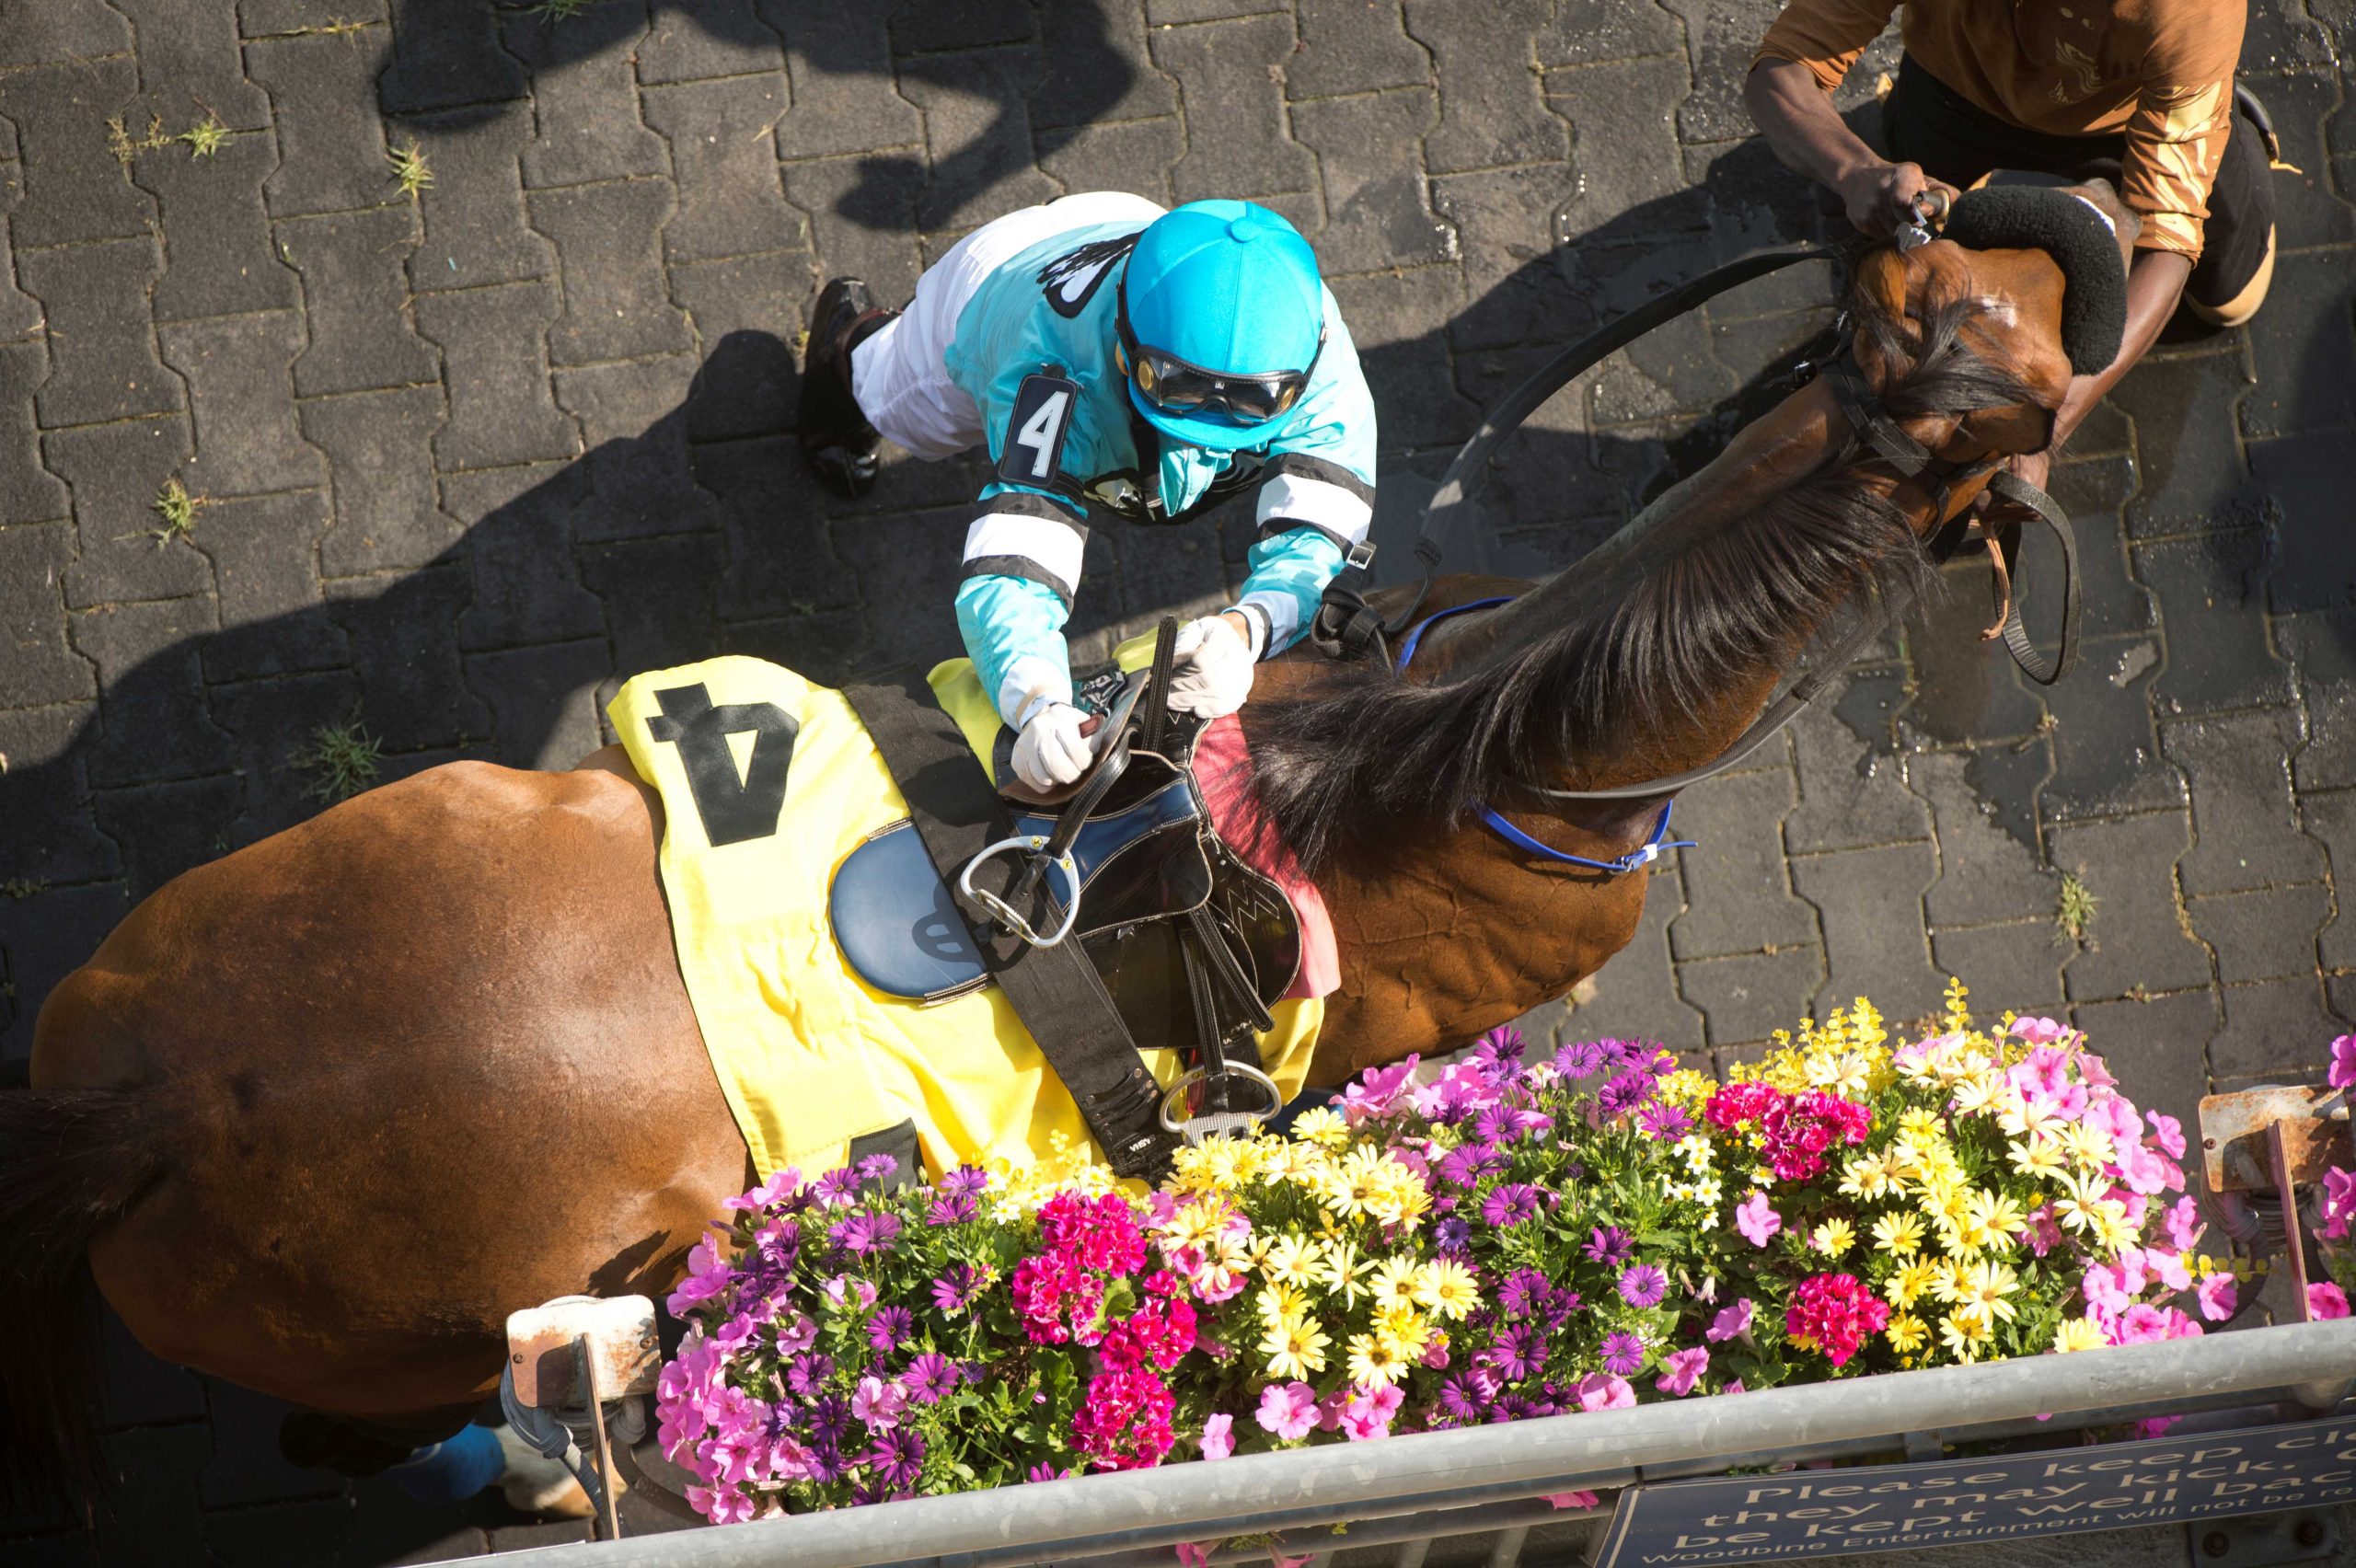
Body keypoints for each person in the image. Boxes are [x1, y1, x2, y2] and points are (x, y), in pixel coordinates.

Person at [796, 192, 1378, 792]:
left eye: (1252, 401)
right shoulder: (1048, 371)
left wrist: (1251, 627)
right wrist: (1036, 702)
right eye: (1176, 389)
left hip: (1170, 271)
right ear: (1126, 350)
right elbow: (1020, 555)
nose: (1214, 421)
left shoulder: (1306, 345)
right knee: (895, 406)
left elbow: (1324, 515)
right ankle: (846, 337)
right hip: (995, 285)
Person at [1743, 1, 2272, 497]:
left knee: (2228, 300)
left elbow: (2167, 245)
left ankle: (2194, 99)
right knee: (1924, 297)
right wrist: (1853, 170)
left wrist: (2046, 425)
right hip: (1957, 92)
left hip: (2122, 120)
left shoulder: (2193, 9)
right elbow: (1784, 66)